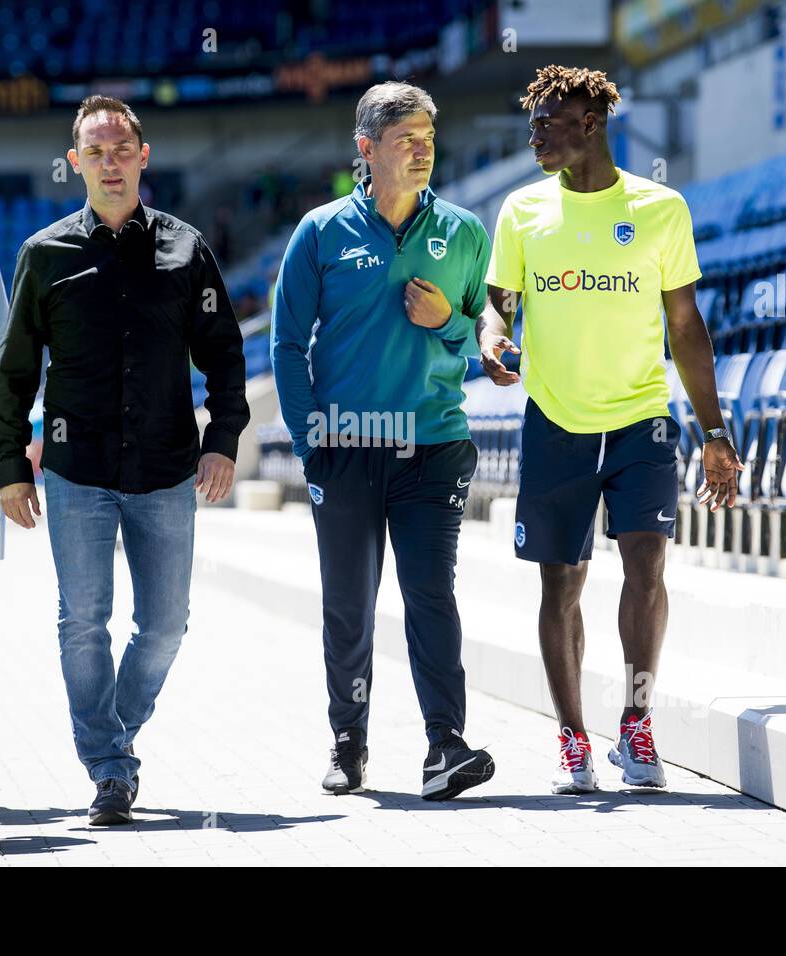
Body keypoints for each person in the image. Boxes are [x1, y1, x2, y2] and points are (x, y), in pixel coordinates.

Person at [479, 65, 742, 794]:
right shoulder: (522, 213)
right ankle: (571, 739)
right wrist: (491, 339)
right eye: (531, 123)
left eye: (546, 123)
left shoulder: (660, 209)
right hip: (556, 420)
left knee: (647, 570)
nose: (533, 135)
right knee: (560, 585)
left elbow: (686, 326)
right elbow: (497, 304)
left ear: (589, 124)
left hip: (642, 421)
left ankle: (636, 723)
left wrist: (714, 432)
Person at [0, 95, 249, 826]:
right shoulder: (44, 255)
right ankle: (109, 768)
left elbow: (225, 353)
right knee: (83, 623)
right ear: (76, 163)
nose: (109, 162)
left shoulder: (185, 248)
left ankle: (113, 739)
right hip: (77, 472)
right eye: (94, 152)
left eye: (120, 149)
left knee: (165, 626)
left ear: (143, 156)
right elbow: (13, 375)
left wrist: (221, 439)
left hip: (167, 470)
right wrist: (11, 464)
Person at [271, 81, 495, 800]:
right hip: (347, 448)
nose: (423, 149)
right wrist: (313, 445)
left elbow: (478, 334)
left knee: (431, 595)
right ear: (366, 150)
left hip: (434, 443)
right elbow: (284, 346)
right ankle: (349, 740)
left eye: (429, 136)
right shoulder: (320, 231)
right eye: (406, 139)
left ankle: (445, 746)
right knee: (349, 603)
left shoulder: (464, 231)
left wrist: (447, 326)